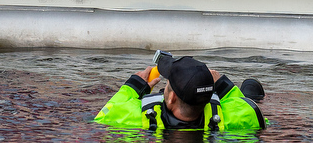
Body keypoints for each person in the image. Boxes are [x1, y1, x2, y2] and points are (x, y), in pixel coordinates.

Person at [95, 53, 266, 132]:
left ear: (171, 98)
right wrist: (224, 87)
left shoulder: (130, 117)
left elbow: (103, 115)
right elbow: (250, 108)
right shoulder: (240, 116)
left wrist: (133, 86)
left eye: (168, 84)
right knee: (251, 91)